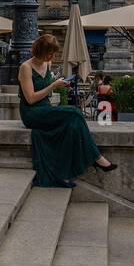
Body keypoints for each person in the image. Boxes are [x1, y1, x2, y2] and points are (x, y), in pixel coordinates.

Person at [18, 33, 114, 188]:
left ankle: (63, 172)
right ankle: (96, 157)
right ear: (41, 50)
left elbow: (45, 93)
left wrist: (61, 84)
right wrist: (54, 85)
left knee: (72, 124)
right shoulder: (26, 67)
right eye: (51, 52)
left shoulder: (47, 65)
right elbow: (30, 99)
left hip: (46, 108)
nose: (53, 56)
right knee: (75, 113)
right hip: (31, 113)